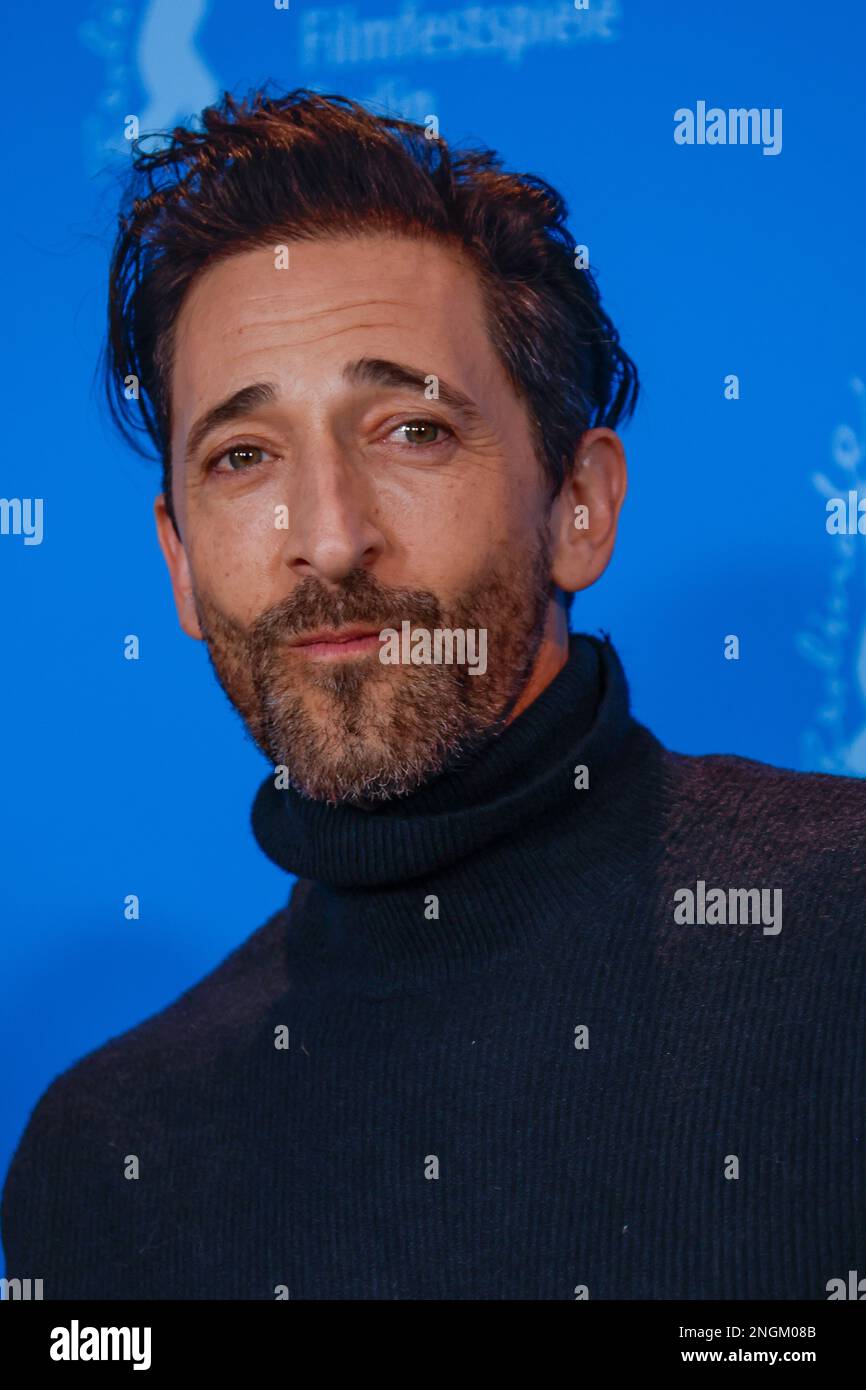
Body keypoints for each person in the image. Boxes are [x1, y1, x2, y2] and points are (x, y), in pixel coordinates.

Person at [3, 89, 864, 1301]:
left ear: (578, 506)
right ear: (180, 563)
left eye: (410, 430)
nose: (328, 537)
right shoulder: (103, 1162)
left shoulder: (838, 941)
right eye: (243, 457)